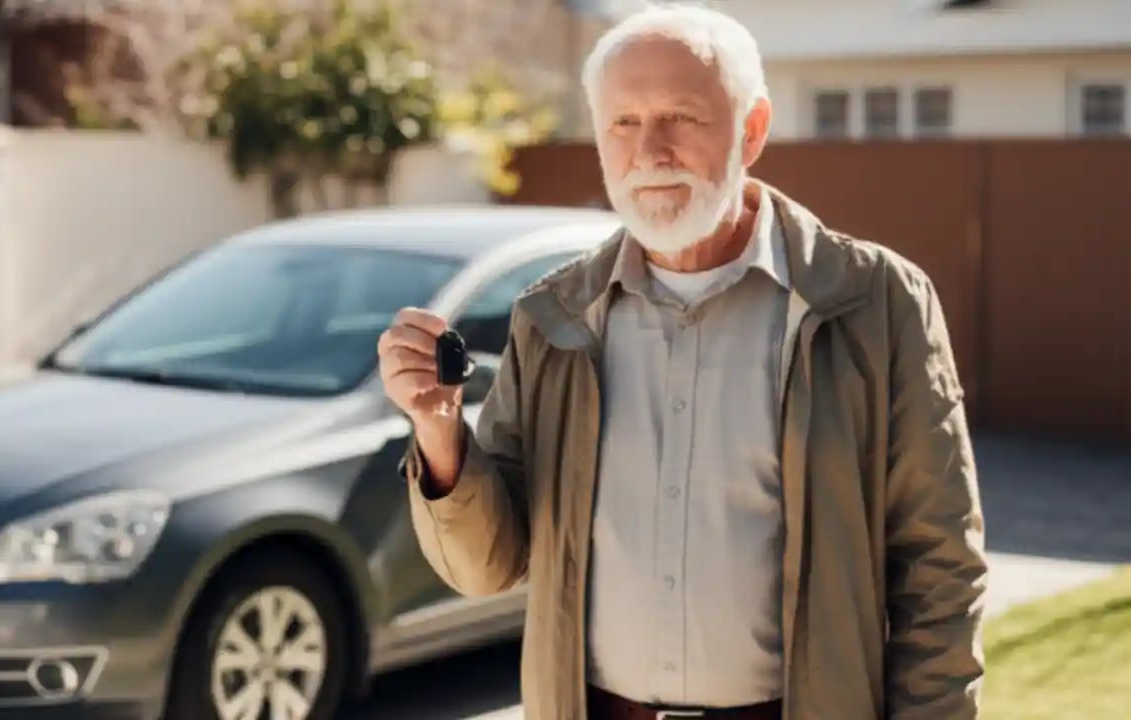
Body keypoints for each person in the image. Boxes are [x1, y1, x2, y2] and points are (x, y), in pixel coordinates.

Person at [376, 4, 988, 719]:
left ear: (752, 130)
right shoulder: (552, 318)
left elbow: (940, 572)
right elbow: (489, 568)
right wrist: (440, 433)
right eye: (624, 124)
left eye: (683, 118)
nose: (651, 151)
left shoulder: (877, 304)